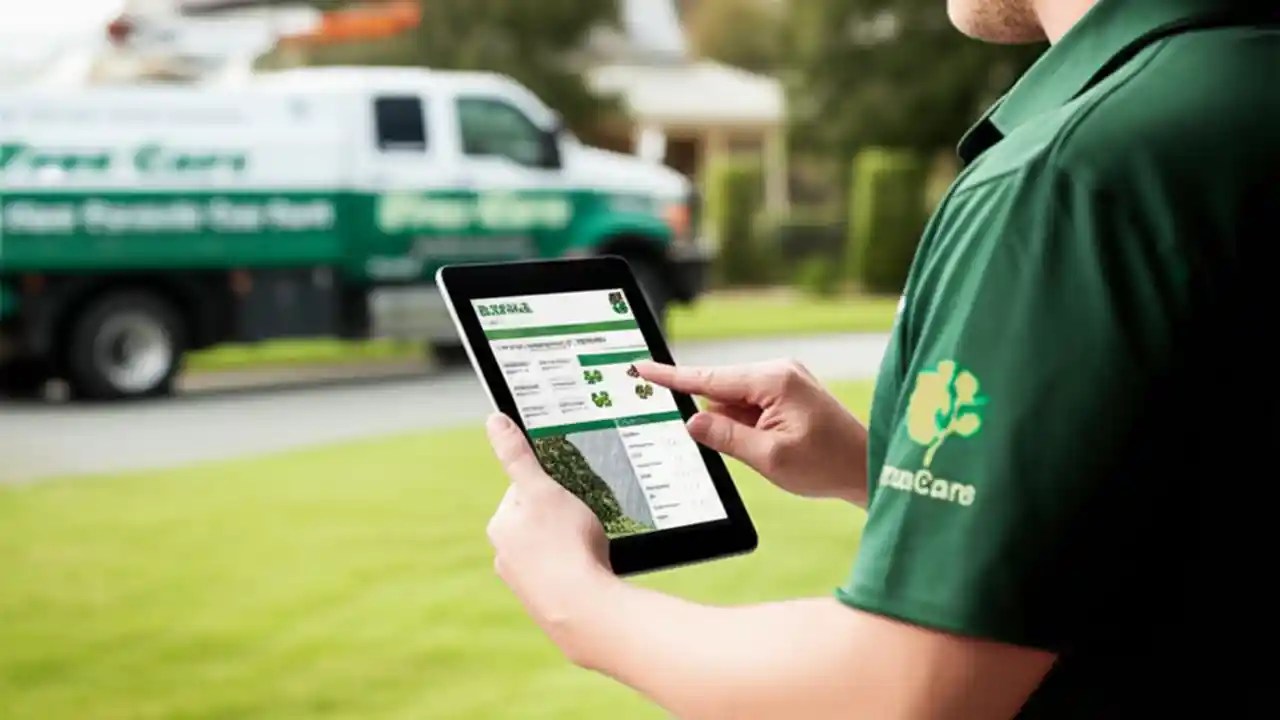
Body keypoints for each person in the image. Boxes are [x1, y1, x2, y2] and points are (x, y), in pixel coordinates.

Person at [480, 0, 1278, 717]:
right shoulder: (1239, 86)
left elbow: (905, 691)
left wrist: (577, 601)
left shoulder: (1072, 172)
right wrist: (869, 466)